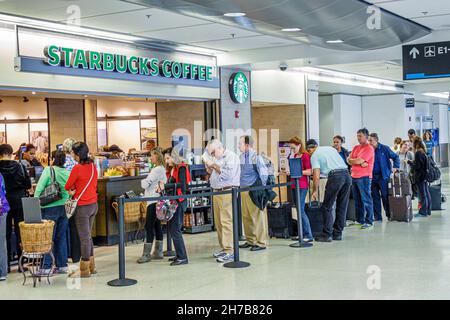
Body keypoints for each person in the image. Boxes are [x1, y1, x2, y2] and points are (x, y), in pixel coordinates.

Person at [306, 139, 351, 242]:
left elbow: (316, 176)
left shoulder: (314, 155)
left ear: (309, 149)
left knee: (327, 206)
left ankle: (327, 234)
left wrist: (314, 191)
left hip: (335, 177)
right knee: (342, 206)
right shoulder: (330, 148)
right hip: (346, 175)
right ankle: (338, 234)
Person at [34, 151, 70, 276]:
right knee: (61, 237)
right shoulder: (67, 172)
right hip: (64, 207)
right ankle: (62, 265)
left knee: (48, 238)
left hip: (50, 208)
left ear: (52, 159)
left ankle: (46, 267)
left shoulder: (48, 170)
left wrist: (36, 200)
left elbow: (39, 188)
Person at [65, 142, 98, 278]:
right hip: (93, 205)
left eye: (72, 152)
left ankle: (84, 270)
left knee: (84, 238)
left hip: (82, 207)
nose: (71, 155)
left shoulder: (77, 168)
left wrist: (74, 190)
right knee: (88, 236)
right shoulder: (93, 166)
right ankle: (92, 266)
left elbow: (67, 186)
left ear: (77, 154)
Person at [205, 139, 240, 262]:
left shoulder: (231, 157)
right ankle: (224, 248)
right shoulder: (216, 158)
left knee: (226, 221)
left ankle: (230, 251)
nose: (212, 155)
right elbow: (213, 174)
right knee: (219, 222)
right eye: (211, 154)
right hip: (216, 191)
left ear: (220, 148)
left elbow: (227, 175)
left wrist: (214, 165)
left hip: (227, 191)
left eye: (213, 152)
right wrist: (209, 169)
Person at [0, 144, 32, 272]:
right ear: (11, 153)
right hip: (19, 201)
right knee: (20, 232)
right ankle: (21, 264)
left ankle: (5, 265)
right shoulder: (20, 166)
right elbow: (28, 184)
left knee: (4, 234)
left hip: (3, 203)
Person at [238, 135, 270, 251]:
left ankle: (261, 242)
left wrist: (262, 190)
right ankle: (250, 240)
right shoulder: (241, 157)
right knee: (246, 216)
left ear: (247, 145)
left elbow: (264, 174)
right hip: (243, 189)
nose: (238, 146)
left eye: (240, 143)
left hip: (254, 189)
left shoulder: (256, 157)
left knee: (256, 216)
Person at [137, 148, 167, 263]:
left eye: (152, 155)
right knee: (157, 225)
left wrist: (143, 181)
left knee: (148, 226)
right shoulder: (161, 169)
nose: (150, 158)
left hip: (152, 201)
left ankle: (146, 254)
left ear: (157, 156)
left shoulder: (156, 170)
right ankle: (158, 251)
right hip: (158, 200)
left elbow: (145, 184)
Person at [161, 148, 190, 266]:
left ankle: (183, 257)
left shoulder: (181, 168)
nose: (167, 161)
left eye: (168, 158)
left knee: (175, 229)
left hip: (179, 201)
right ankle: (179, 254)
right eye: (165, 159)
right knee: (173, 229)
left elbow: (182, 186)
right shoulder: (172, 169)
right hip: (173, 202)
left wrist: (166, 185)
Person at [286, 136, 313, 242]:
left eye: (293, 148)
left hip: (302, 186)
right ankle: (301, 233)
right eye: (290, 148)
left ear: (299, 145)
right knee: (297, 210)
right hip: (293, 185)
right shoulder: (292, 156)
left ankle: (308, 234)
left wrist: (298, 172)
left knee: (301, 210)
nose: (292, 150)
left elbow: (310, 171)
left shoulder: (305, 156)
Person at [368, 133, 400, 221]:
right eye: (368, 140)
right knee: (375, 197)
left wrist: (396, 167)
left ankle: (389, 215)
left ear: (376, 140)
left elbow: (395, 156)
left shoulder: (384, 148)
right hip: (372, 177)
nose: (369, 142)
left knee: (385, 196)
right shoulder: (368, 149)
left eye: (371, 140)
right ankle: (377, 217)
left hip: (383, 177)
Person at [348, 128, 375, 229]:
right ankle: (359, 219)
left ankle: (369, 220)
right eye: (357, 136)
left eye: (360, 136)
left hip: (364, 177)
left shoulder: (369, 148)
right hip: (354, 176)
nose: (358, 138)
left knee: (366, 199)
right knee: (357, 200)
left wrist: (355, 161)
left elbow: (357, 160)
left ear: (366, 137)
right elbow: (348, 159)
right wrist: (356, 161)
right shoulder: (356, 147)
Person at [408, 137, 432, 217]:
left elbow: (417, 166)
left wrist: (409, 162)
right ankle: (428, 210)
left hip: (420, 177)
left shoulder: (418, 153)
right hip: (425, 176)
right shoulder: (423, 152)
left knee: (422, 195)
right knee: (426, 193)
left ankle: (423, 212)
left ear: (415, 143)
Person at [0, 173, 10, 281]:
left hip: (1, 210)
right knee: (1, 241)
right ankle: (2, 272)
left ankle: (2, 272)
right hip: (3, 209)